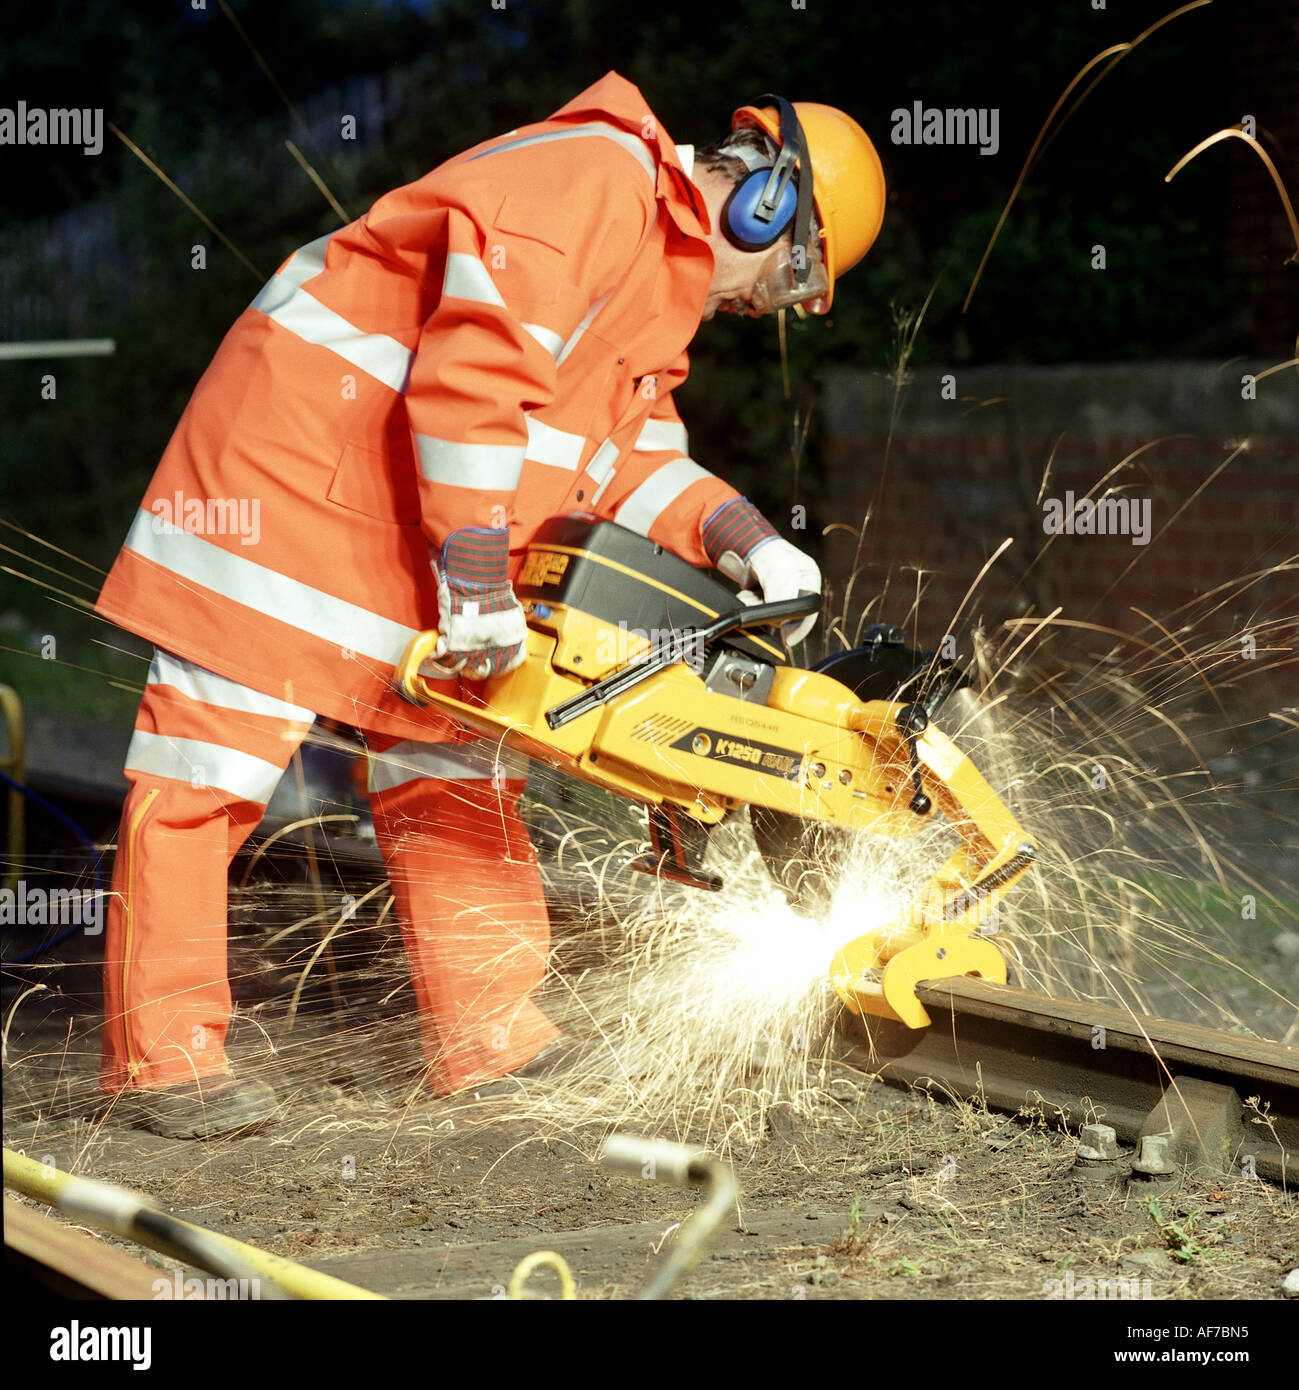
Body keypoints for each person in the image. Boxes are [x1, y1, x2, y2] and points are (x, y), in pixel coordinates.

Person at [93, 72, 887, 1138]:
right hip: (285, 491)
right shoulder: (592, 182)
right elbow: (470, 383)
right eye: (786, 286)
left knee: (460, 771)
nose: (758, 311)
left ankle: (491, 1036)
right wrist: (475, 582)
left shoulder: (654, 282)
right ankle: (168, 1062)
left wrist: (745, 538)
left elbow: (626, 454)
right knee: (210, 768)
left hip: (421, 526)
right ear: (765, 207)